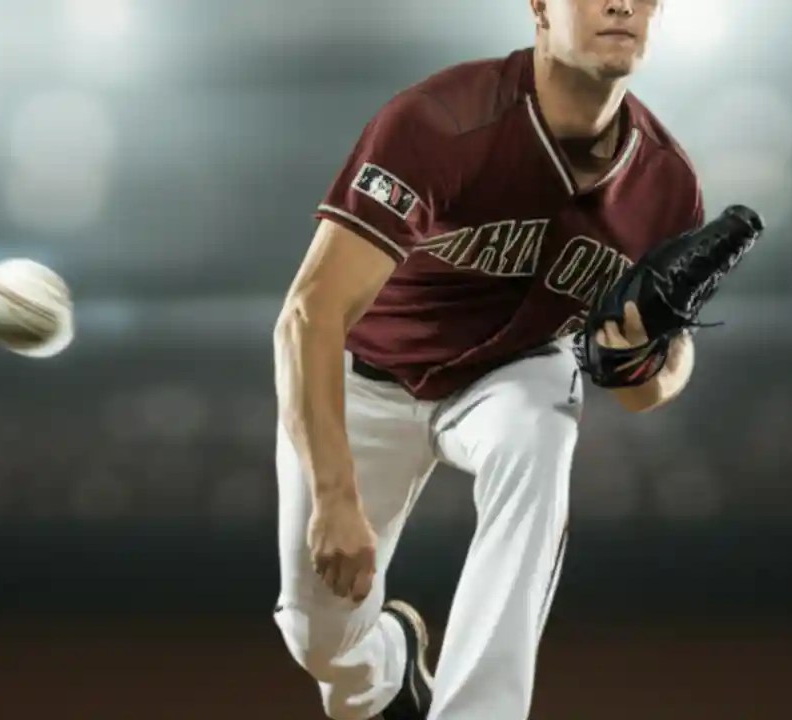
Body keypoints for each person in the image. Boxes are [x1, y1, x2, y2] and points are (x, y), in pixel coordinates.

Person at [272, 1, 703, 718]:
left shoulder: (667, 188)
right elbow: (307, 316)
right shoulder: (440, 121)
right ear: (538, 6)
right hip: (371, 374)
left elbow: (661, 374)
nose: (621, 4)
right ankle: (384, 669)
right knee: (317, 638)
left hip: (514, 372)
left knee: (539, 433)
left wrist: (648, 364)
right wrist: (335, 495)